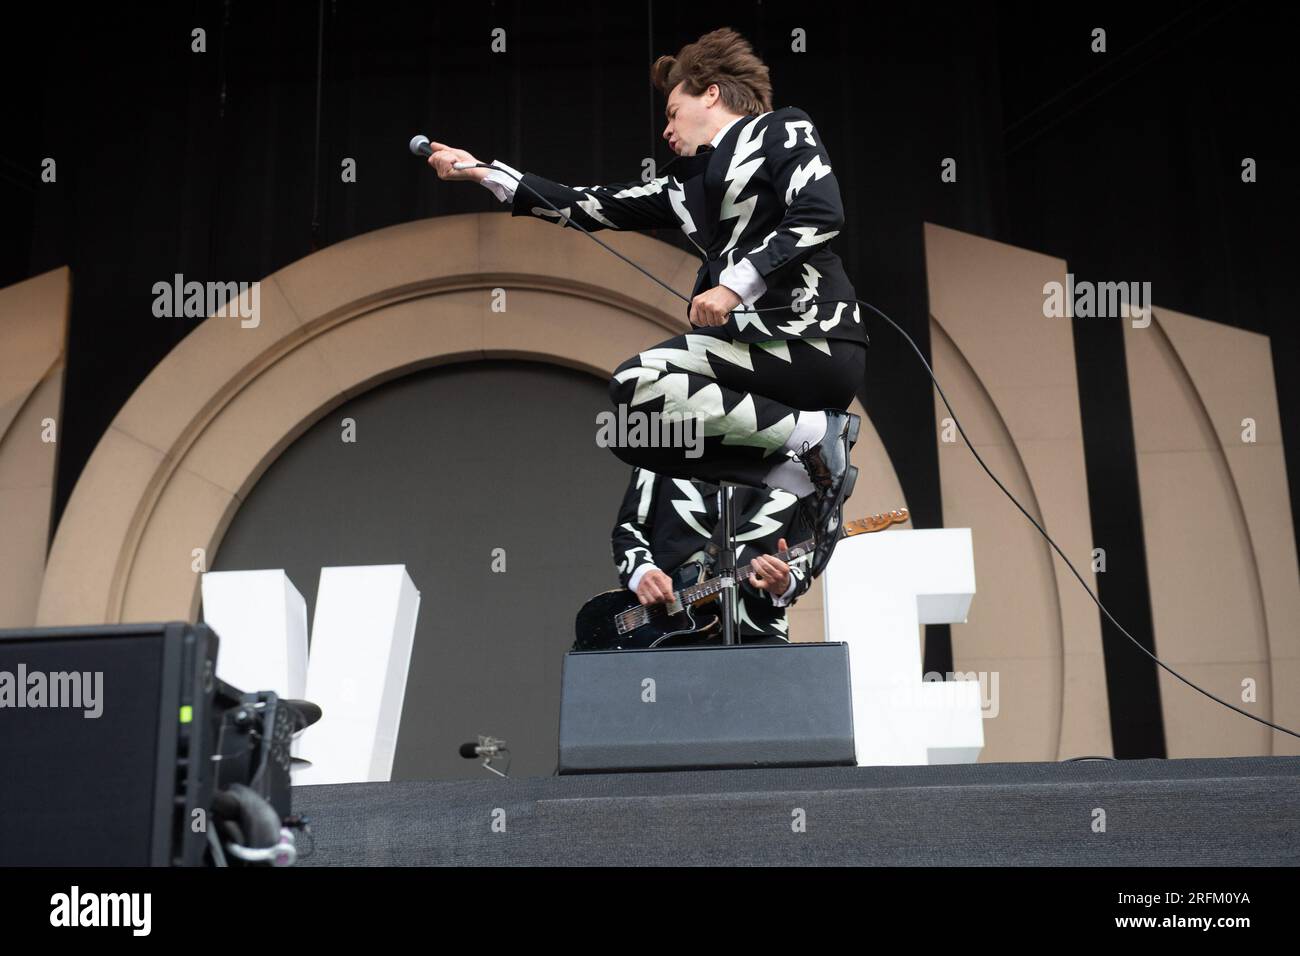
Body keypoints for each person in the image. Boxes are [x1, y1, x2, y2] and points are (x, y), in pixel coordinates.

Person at [425, 27, 865, 576]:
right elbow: (586, 205)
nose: (666, 128)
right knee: (641, 433)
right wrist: (486, 173)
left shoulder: (782, 128)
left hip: (814, 338)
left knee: (641, 378)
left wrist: (733, 287)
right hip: (757, 352)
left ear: (711, 92)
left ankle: (817, 439)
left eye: (673, 110)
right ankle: (803, 475)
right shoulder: (686, 187)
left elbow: (822, 212)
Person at [612, 466, 814, 644]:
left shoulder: (795, 462)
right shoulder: (661, 449)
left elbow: (805, 558)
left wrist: (785, 583)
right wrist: (643, 573)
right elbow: (630, 528)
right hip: (667, 626)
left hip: (758, 631)